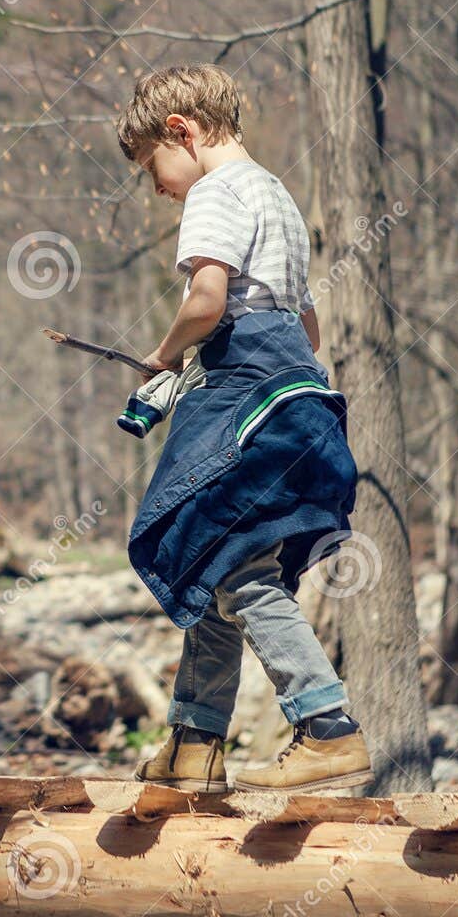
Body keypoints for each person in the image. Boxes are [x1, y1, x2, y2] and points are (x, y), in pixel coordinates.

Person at [115, 64, 372, 794]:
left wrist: (164, 356)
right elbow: (309, 324)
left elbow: (206, 297)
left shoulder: (214, 192)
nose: (157, 185)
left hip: (243, 399)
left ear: (181, 133)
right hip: (300, 400)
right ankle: (195, 744)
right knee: (215, 553)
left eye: (151, 166)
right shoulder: (277, 196)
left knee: (232, 565)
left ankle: (328, 727)